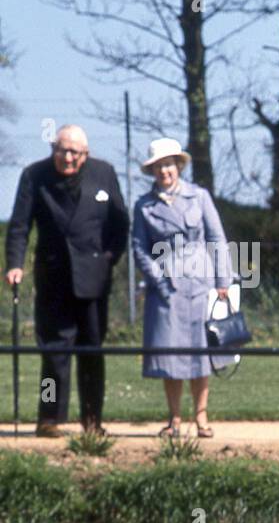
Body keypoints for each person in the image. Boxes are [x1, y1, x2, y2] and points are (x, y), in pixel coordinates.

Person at [5, 124, 129, 437]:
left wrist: (109, 258)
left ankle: (92, 420)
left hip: (93, 281)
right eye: (62, 150)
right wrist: (15, 265)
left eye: (75, 152)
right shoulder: (35, 176)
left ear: (86, 154)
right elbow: (19, 225)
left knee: (91, 353)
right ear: (53, 149)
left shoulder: (105, 173)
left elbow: (120, 223)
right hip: (53, 281)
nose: (68, 157)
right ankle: (49, 417)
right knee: (53, 354)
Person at [131, 137, 233, 438]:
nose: (165, 171)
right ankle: (174, 418)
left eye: (169, 165)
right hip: (165, 289)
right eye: (159, 167)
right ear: (152, 171)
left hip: (199, 284)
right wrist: (157, 280)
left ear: (178, 166)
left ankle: (201, 418)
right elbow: (139, 248)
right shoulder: (144, 206)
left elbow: (216, 238)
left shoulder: (199, 197)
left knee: (201, 352)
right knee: (170, 353)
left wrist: (222, 280)